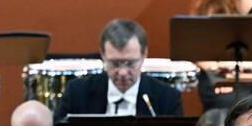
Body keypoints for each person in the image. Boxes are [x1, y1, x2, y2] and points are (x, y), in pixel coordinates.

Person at [53, 19, 183, 119]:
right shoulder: (77, 93)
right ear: (103, 55)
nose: (122, 72)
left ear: (144, 55)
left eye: (130, 63)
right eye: (115, 63)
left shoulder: (168, 99)